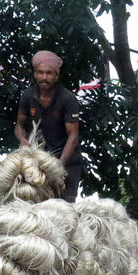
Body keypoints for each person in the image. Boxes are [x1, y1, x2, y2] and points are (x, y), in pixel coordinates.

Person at [14, 50, 82, 202]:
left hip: (66, 162)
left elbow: (73, 135)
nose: (44, 77)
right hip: (37, 160)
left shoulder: (67, 98)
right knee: (33, 204)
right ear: (35, 74)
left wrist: (59, 165)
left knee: (64, 207)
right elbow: (19, 125)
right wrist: (23, 140)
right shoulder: (28, 95)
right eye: (40, 72)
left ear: (56, 75)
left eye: (49, 73)